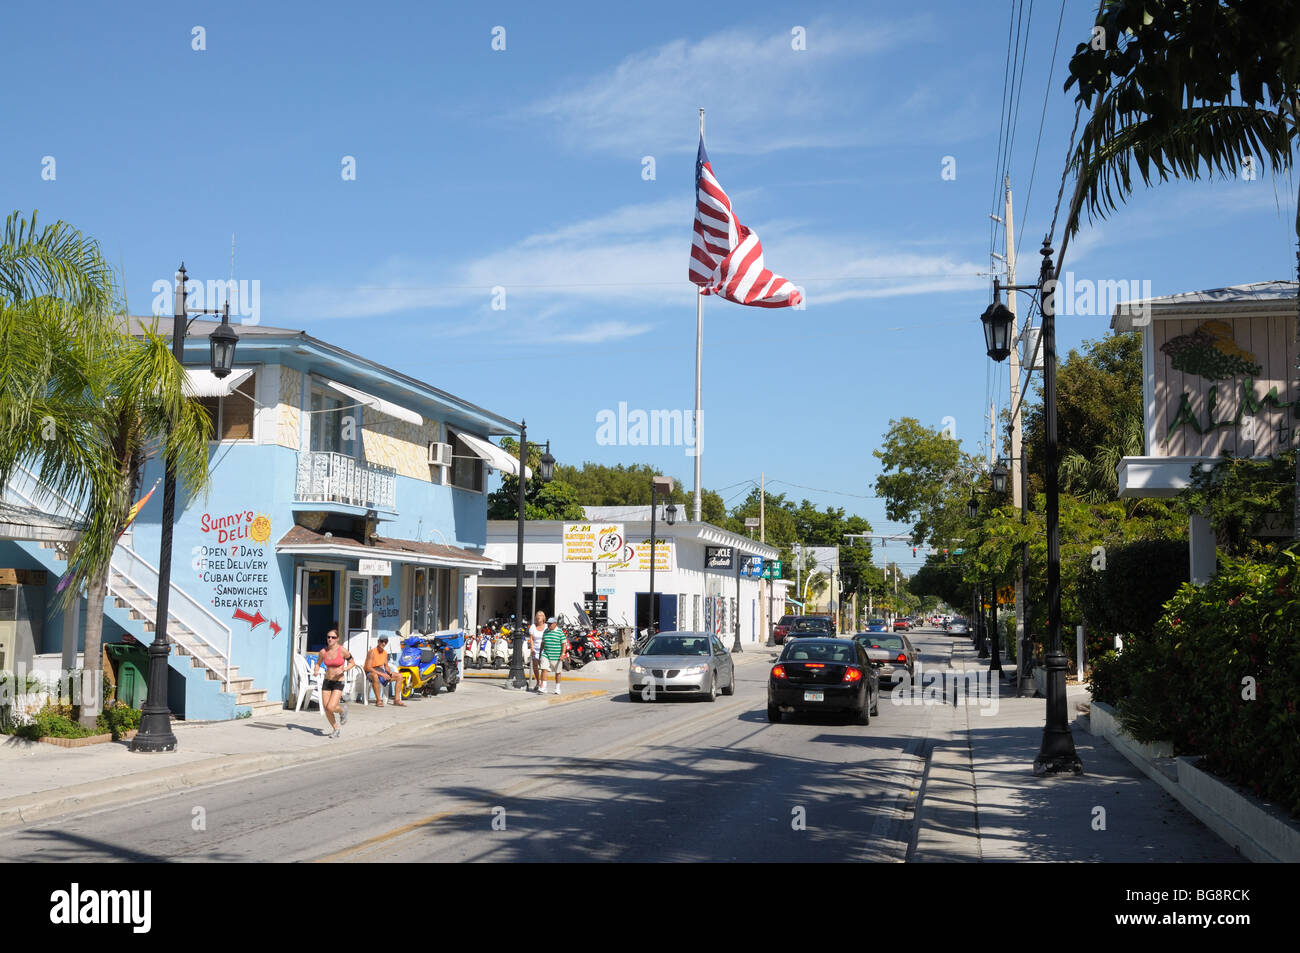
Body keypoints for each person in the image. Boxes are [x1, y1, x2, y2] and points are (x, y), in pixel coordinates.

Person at [312, 629, 356, 738]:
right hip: (327, 681)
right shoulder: (323, 652)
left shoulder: (342, 651)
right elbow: (318, 664)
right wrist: (316, 670)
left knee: (331, 707)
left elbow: (352, 662)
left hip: (338, 682)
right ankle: (336, 729)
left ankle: (342, 710)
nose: (330, 639)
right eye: (328, 637)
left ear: (337, 639)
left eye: (333, 637)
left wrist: (344, 669)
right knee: (326, 708)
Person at [364, 635, 405, 707]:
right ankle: (379, 700)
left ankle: (397, 700)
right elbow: (368, 668)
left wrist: (388, 673)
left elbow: (386, 666)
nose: (383, 643)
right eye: (382, 641)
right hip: (371, 672)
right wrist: (383, 674)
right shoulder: (372, 652)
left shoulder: (385, 653)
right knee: (375, 676)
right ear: (378, 641)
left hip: (380, 671)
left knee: (399, 676)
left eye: (385, 642)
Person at [539, 616, 568, 695]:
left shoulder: (560, 632)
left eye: (550, 624)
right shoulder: (545, 631)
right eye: (548, 623)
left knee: (557, 673)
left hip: (556, 655)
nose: (548, 625)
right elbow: (543, 643)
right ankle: (544, 687)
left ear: (555, 624)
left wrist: (563, 653)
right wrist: (540, 653)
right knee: (544, 669)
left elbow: (564, 644)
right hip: (546, 654)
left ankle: (557, 688)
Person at [527, 610, 547, 692]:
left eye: (541, 615)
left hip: (544, 649)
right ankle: (538, 682)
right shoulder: (533, 626)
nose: (539, 617)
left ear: (543, 618)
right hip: (535, 648)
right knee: (535, 666)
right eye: (538, 615)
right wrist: (532, 649)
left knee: (543, 667)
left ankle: (542, 683)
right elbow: (531, 638)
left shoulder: (546, 627)